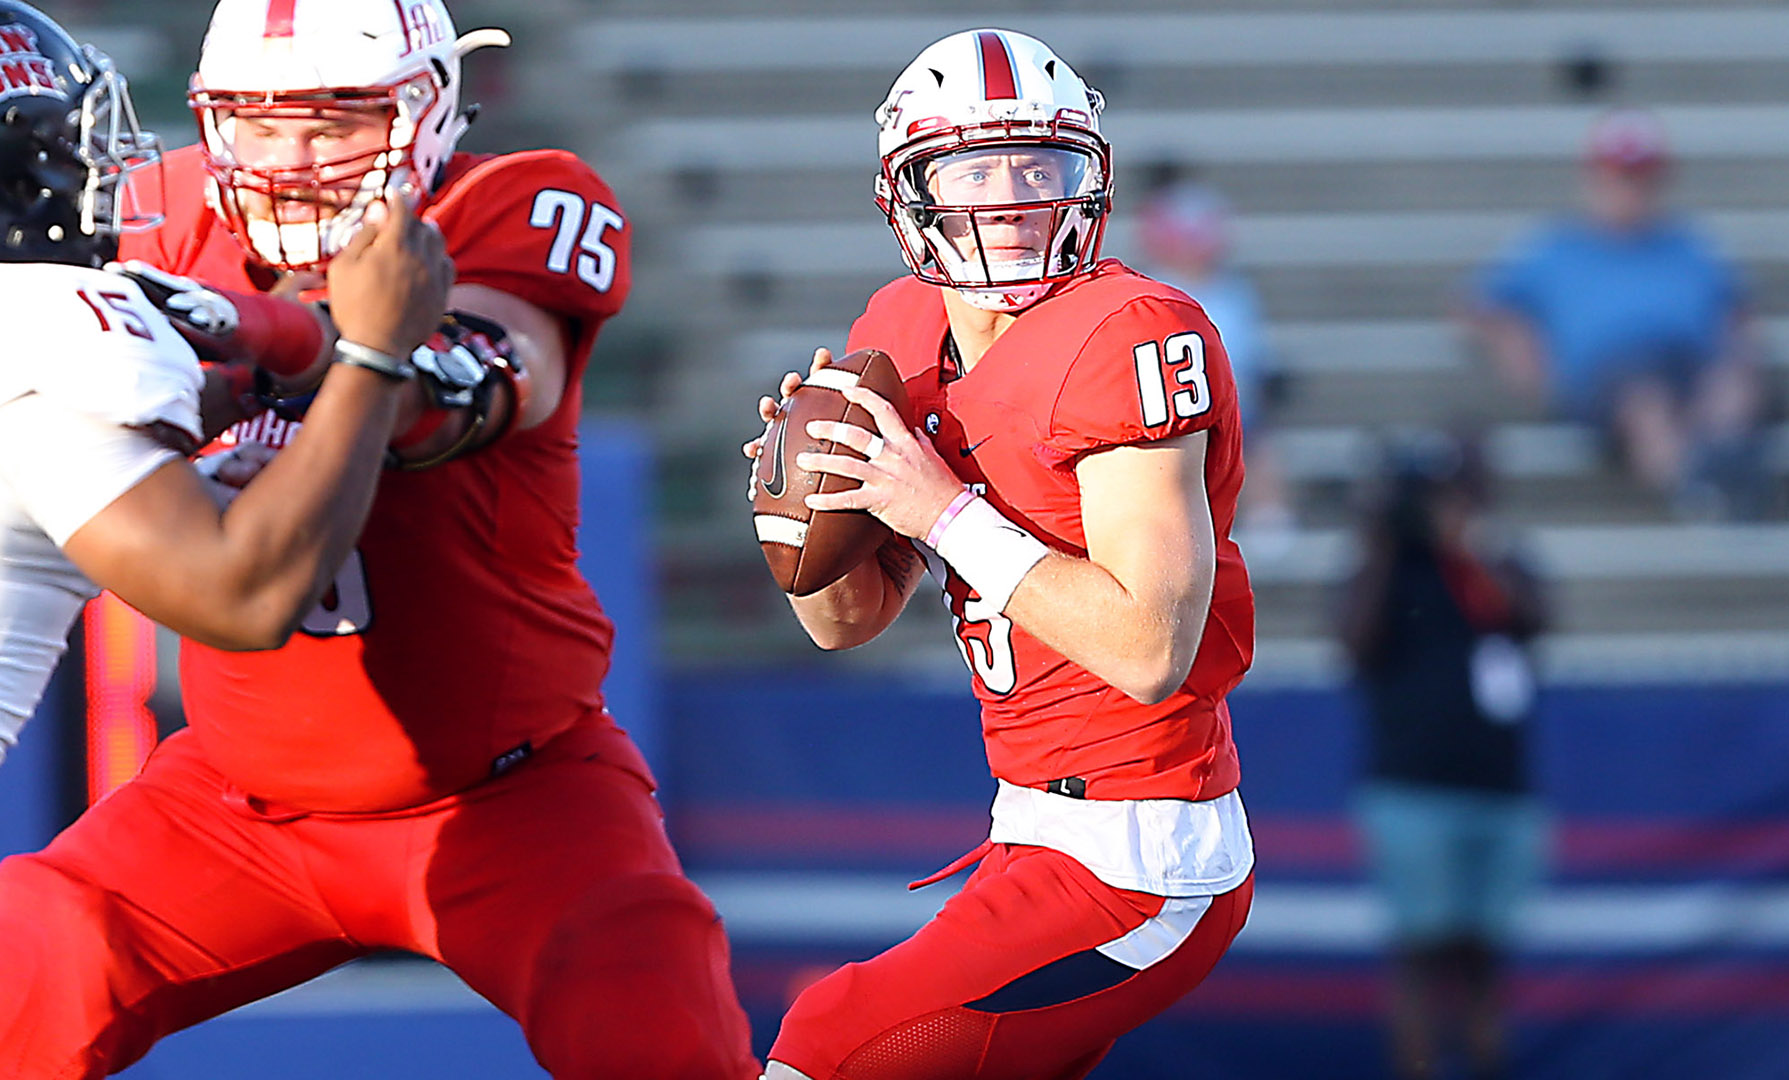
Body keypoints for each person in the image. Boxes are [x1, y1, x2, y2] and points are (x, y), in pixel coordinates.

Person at [0, 2, 758, 1077]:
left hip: (512, 796)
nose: (293, 160)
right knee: (31, 951)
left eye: (338, 122)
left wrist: (250, 329)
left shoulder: (512, 201)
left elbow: (467, 379)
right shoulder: (162, 211)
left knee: (645, 992)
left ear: (429, 109)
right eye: (256, 124)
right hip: (231, 802)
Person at [744, 29, 1255, 1080]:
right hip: (1028, 825)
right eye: (977, 169)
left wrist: (938, 514)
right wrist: (806, 511)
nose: (1012, 196)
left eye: (1039, 165)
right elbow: (844, 623)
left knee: (829, 1039)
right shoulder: (898, 325)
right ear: (908, 195)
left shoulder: (1129, 332)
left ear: (1088, 180)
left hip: (1140, 853)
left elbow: (1152, 645)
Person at [0, 0, 452, 766]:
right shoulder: (47, 325)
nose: (96, 171)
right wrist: (373, 354)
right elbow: (244, 596)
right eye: (65, 149)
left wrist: (246, 390)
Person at [1336, 433, 1550, 1080]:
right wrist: (1381, 536)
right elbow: (1354, 642)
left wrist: (1472, 539)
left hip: (1499, 788)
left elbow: (1535, 618)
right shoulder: (1387, 567)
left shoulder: (1495, 559)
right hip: (1412, 791)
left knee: (1485, 964)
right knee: (1420, 960)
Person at [1465, 108, 1767, 518]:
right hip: (1607, 376)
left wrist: (1739, 351)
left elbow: (1737, 312)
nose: (1631, 190)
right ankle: (1696, 485)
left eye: (1642, 178)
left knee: (1731, 377)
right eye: (1620, 176)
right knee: (1645, 398)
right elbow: (1479, 305)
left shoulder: (1687, 243)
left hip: (1687, 362)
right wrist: (1519, 345)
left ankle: (1725, 463)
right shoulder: (1556, 247)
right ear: (1593, 178)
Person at [1134, 165, 1294, 539]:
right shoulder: (1154, 289)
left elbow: (1251, 354)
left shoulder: (1234, 291)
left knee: (1256, 439)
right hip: (1177, 404)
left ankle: (1269, 514)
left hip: (1233, 402)